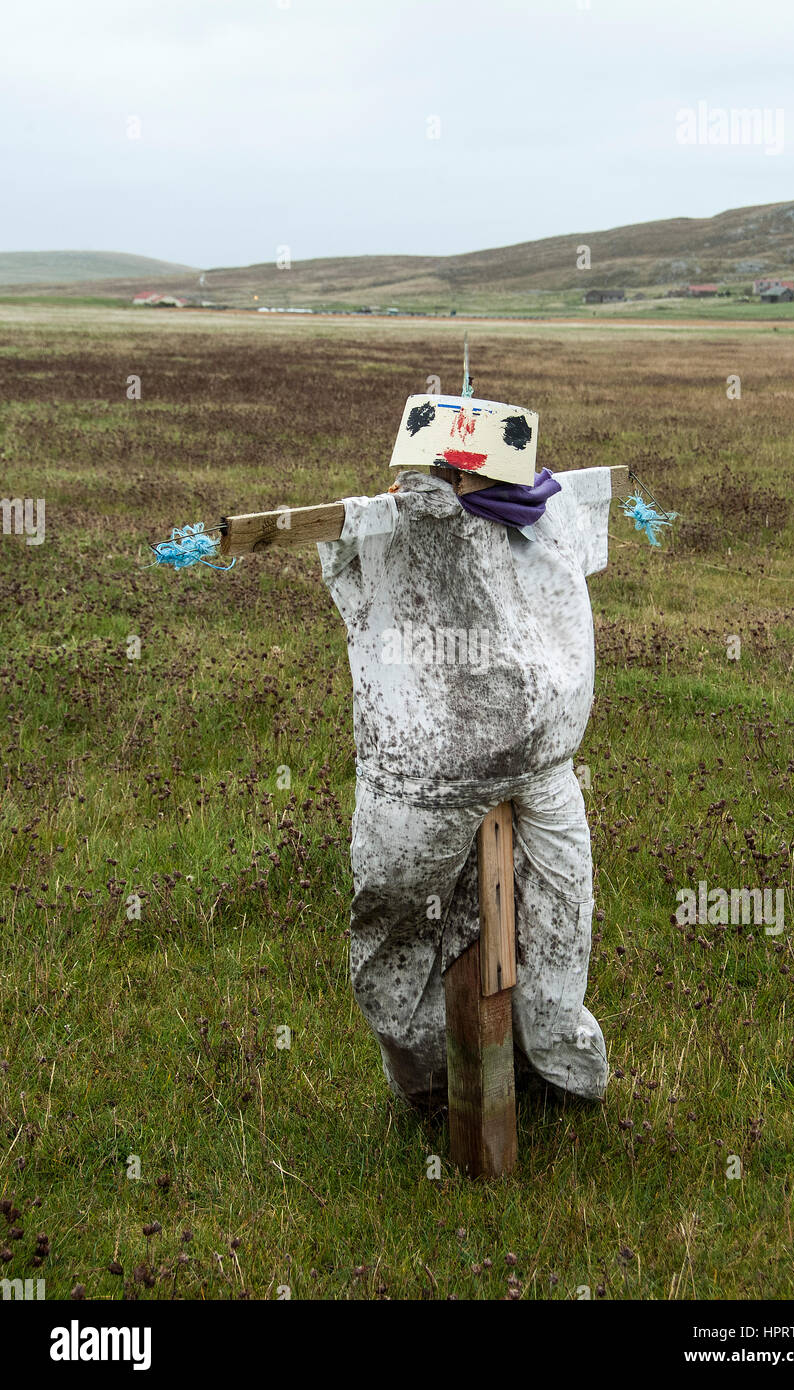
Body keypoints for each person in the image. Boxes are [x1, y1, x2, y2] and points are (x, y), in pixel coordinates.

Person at [317, 388, 612, 1108]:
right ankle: (454, 1088)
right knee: (409, 922)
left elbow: (349, 570)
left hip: (467, 773)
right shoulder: (541, 511)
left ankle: (521, 1085)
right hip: (458, 772)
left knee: (537, 924)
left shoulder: (534, 514)